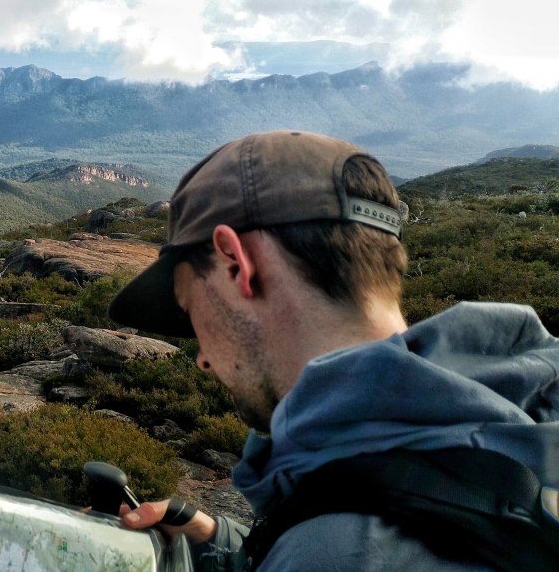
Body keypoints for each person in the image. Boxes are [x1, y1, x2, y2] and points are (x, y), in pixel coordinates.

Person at [105, 130, 559, 570]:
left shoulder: (346, 550)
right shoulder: (516, 422)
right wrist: (220, 544)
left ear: (234, 263)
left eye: (191, 308)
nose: (202, 357)